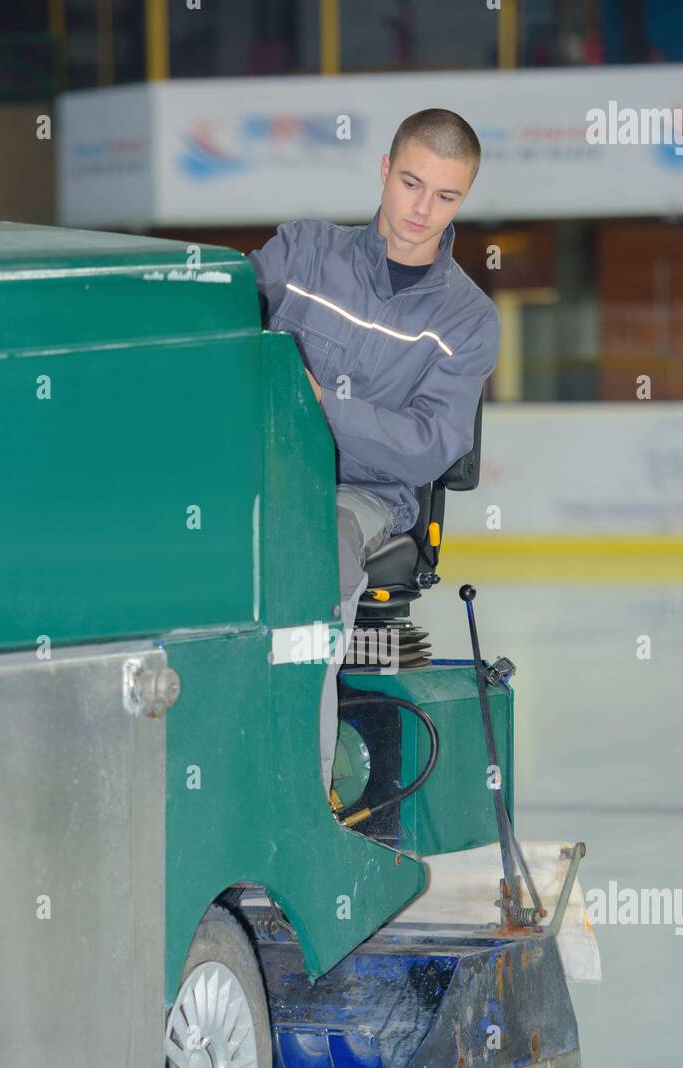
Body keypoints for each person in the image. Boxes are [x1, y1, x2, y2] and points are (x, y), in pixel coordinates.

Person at [249, 107, 500, 809]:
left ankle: (302, 805)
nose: (422, 210)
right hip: (257, 469)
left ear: (463, 199)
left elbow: (426, 446)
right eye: (412, 184)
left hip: (360, 496)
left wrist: (317, 405)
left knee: (310, 557)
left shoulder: (467, 320)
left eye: (445, 196)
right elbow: (219, 327)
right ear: (385, 170)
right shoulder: (302, 253)